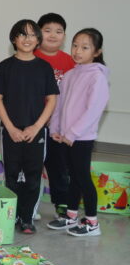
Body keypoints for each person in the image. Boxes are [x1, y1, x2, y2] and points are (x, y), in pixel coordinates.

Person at [0, 20, 59, 234]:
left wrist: (37, 127)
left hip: (36, 132)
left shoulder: (44, 68)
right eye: (22, 34)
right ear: (14, 39)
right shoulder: (4, 67)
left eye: (32, 35)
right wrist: (11, 128)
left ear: (38, 40)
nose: (27, 39)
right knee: (11, 175)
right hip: (11, 132)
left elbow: (52, 100)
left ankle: (27, 218)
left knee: (33, 176)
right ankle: (12, 215)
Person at [47, 29, 109, 237]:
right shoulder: (70, 75)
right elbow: (59, 105)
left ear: (97, 52)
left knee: (83, 178)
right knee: (73, 177)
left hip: (81, 138)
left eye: (85, 47)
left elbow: (93, 110)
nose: (77, 51)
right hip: (66, 137)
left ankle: (92, 222)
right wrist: (55, 129)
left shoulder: (97, 77)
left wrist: (72, 133)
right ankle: (71, 215)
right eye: (75, 45)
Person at [35, 12, 76, 216]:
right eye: (47, 30)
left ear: (64, 36)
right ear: (38, 33)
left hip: (59, 124)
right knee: (32, 165)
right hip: (33, 121)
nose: (53, 35)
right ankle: (28, 206)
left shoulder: (70, 61)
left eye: (58, 31)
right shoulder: (30, 56)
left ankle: (62, 203)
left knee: (58, 165)